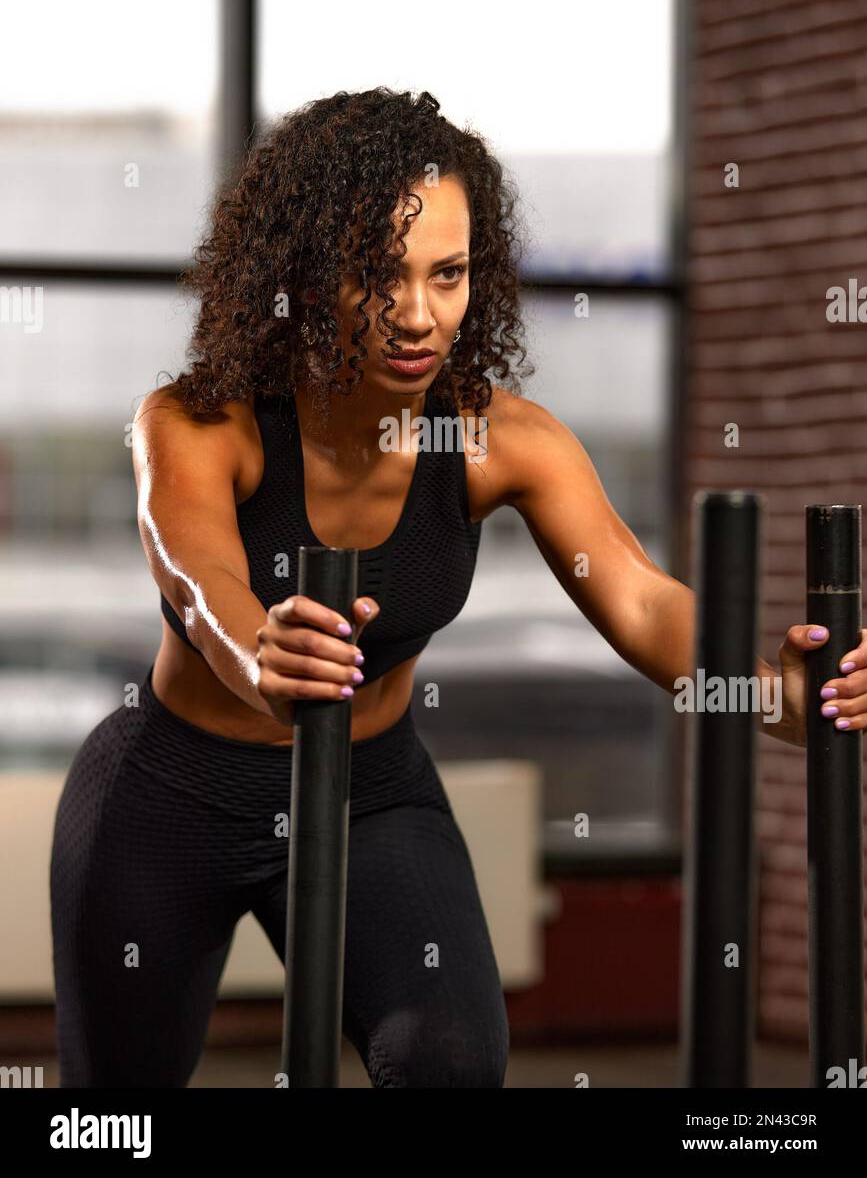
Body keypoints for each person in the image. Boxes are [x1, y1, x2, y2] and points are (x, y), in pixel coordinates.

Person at [49, 87, 867, 1089]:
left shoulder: (498, 440)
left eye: (448, 275)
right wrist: (257, 643)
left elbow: (644, 599)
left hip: (368, 793)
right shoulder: (197, 420)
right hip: (169, 793)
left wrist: (776, 690)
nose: (418, 315)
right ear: (304, 274)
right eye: (380, 275)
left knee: (448, 1062)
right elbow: (193, 563)